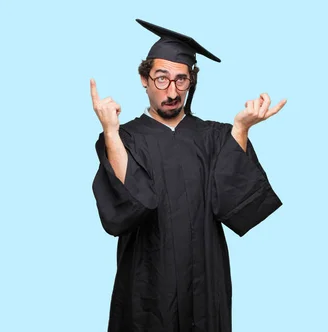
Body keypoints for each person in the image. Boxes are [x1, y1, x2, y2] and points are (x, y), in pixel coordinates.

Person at [91, 18, 286, 332]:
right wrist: (111, 132)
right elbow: (126, 206)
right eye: (162, 79)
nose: (172, 91)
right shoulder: (125, 138)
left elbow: (230, 204)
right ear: (144, 78)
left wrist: (241, 128)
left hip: (204, 281)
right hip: (146, 280)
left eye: (181, 80)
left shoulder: (215, 136)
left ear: (192, 82)